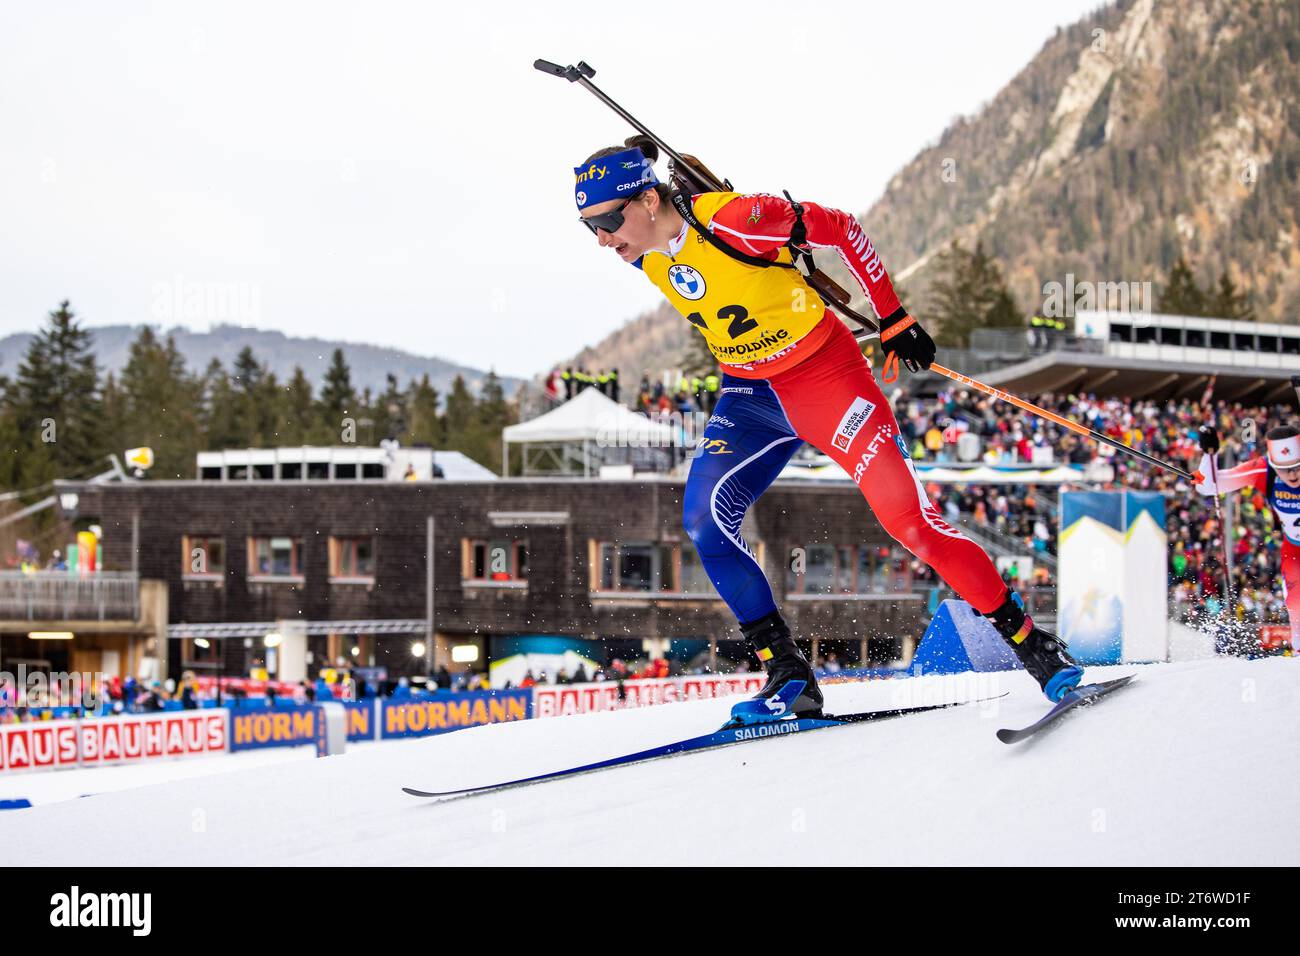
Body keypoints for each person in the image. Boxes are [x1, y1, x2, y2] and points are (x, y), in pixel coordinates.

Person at [572, 137, 1081, 718]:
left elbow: (842, 228)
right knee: (705, 521)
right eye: (589, 229)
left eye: (609, 221)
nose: (603, 239)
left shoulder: (736, 219)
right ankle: (788, 672)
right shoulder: (643, 250)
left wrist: (893, 314)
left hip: (825, 380)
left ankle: (1034, 647)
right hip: (749, 397)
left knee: (909, 521)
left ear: (647, 200)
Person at [1193, 423, 1300, 652]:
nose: (1293, 475)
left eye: (1297, 467)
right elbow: (1208, 485)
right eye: (1286, 469)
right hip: (1295, 547)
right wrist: (1209, 454)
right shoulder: (1263, 470)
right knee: (1295, 602)